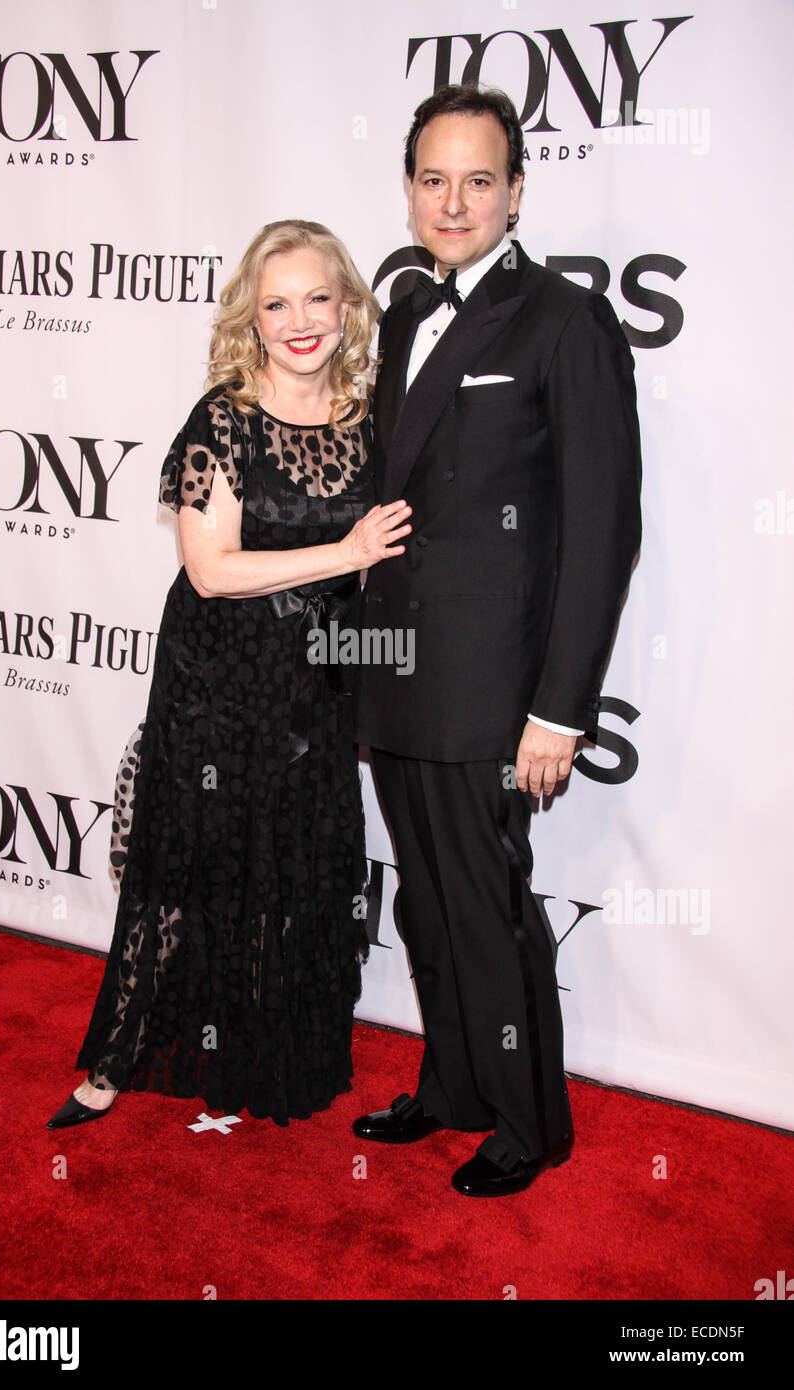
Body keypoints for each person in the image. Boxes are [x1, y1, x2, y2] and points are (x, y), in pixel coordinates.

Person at [47, 219, 412, 1130]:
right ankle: (117, 1056)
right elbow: (213, 569)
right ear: (251, 319)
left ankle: (273, 1052)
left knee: (298, 866)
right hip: (218, 678)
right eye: (276, 303)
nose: (299, 321)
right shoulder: (224, 417)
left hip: (315, 683)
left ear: (347, 306)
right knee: (190, 863)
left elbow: (380, 572)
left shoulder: (369, 422)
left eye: (317, 299)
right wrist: (344, 549)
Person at [352, 85, 642, 1195]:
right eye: (433, 178)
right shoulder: (401, 315)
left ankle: (527, 1123)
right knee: (424, 900)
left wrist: (557, 708)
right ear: (410, 190)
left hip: (490, 691)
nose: (454, 198)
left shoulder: (562, 323)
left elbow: (601, 526)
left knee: (484, 905)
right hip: (396, 677)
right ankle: (454, 1087)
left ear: (516, 191)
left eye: (478, 178)